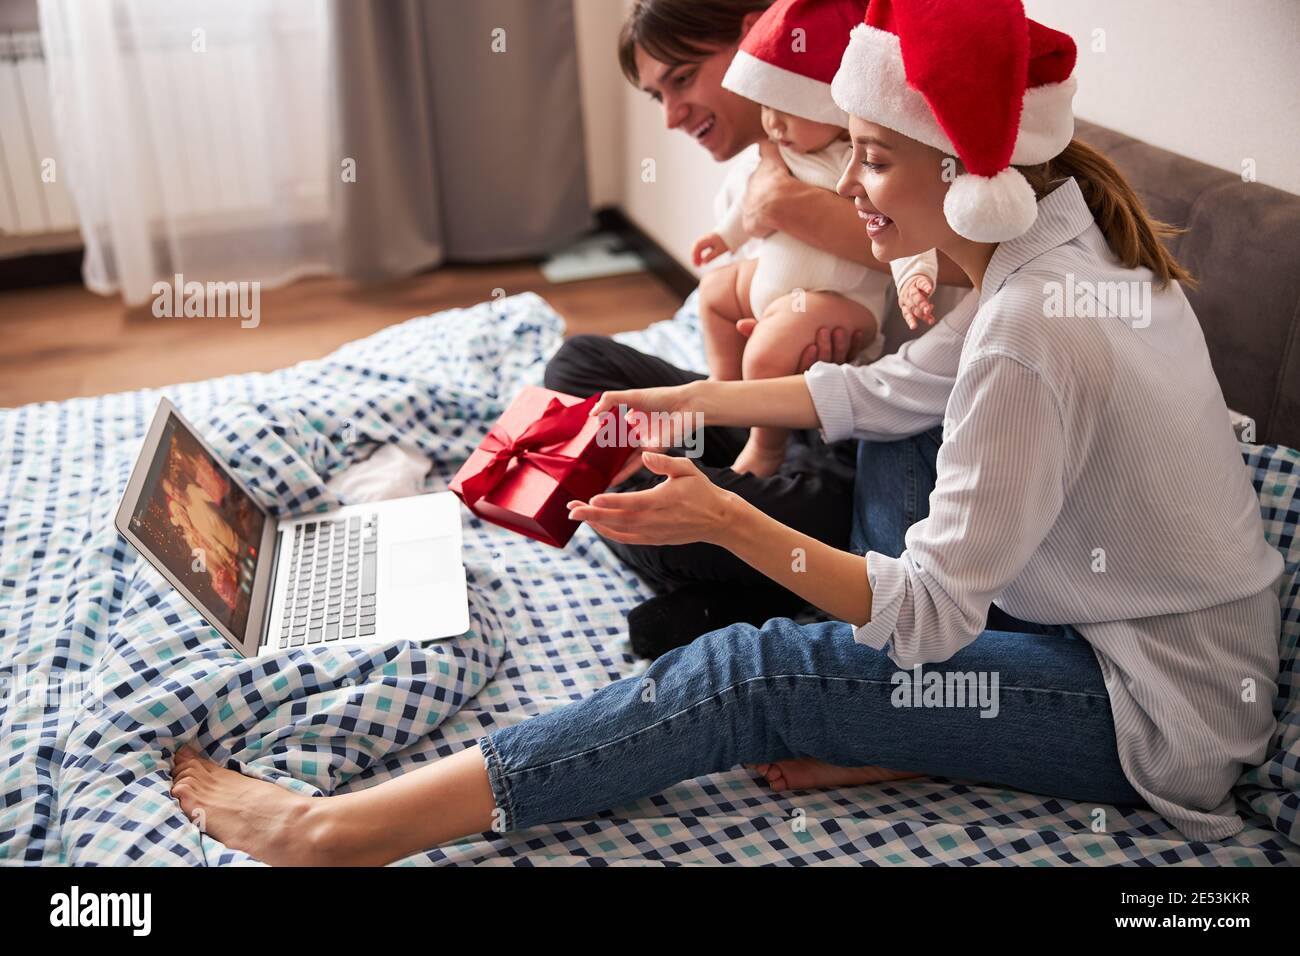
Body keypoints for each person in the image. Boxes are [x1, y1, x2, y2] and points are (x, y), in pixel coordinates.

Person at [169, 0, 1282, 865]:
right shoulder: (1049, 239)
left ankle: (337, 831)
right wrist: (674, 404)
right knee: (892, 419)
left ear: (969, 176)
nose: (848, 185)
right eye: (846, 148)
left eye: (874, 158)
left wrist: (724, 517)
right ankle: (883, 724)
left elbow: (936, 612)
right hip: (1048, 609)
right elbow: (872, 401)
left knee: (749, 671)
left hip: (1141, 702)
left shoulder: (1037, 326)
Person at [547, 0, 962, 657]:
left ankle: (745, 567)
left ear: (753, 42)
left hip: (853, 448)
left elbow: (934, 264)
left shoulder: (869, 147)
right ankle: (735, 551)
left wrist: (782, 204)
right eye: (658, 94)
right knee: (577, 369)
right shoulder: (765, 161)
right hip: (767, 399)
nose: (671, 116)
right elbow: (741, 296)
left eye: (682, 80)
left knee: (609, 487)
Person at [695, 0, 938, 477]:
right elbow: (753, 208)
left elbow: (910, 230)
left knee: (766, 352)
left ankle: (765, 448)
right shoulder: (782, 153)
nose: (772, 123)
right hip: (773, 287)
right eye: (765, 106)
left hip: (834, 302)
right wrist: (725, 237)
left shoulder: (859, 159)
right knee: (713, 293)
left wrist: (918, 276)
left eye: (788, 109)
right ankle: (722, 394)